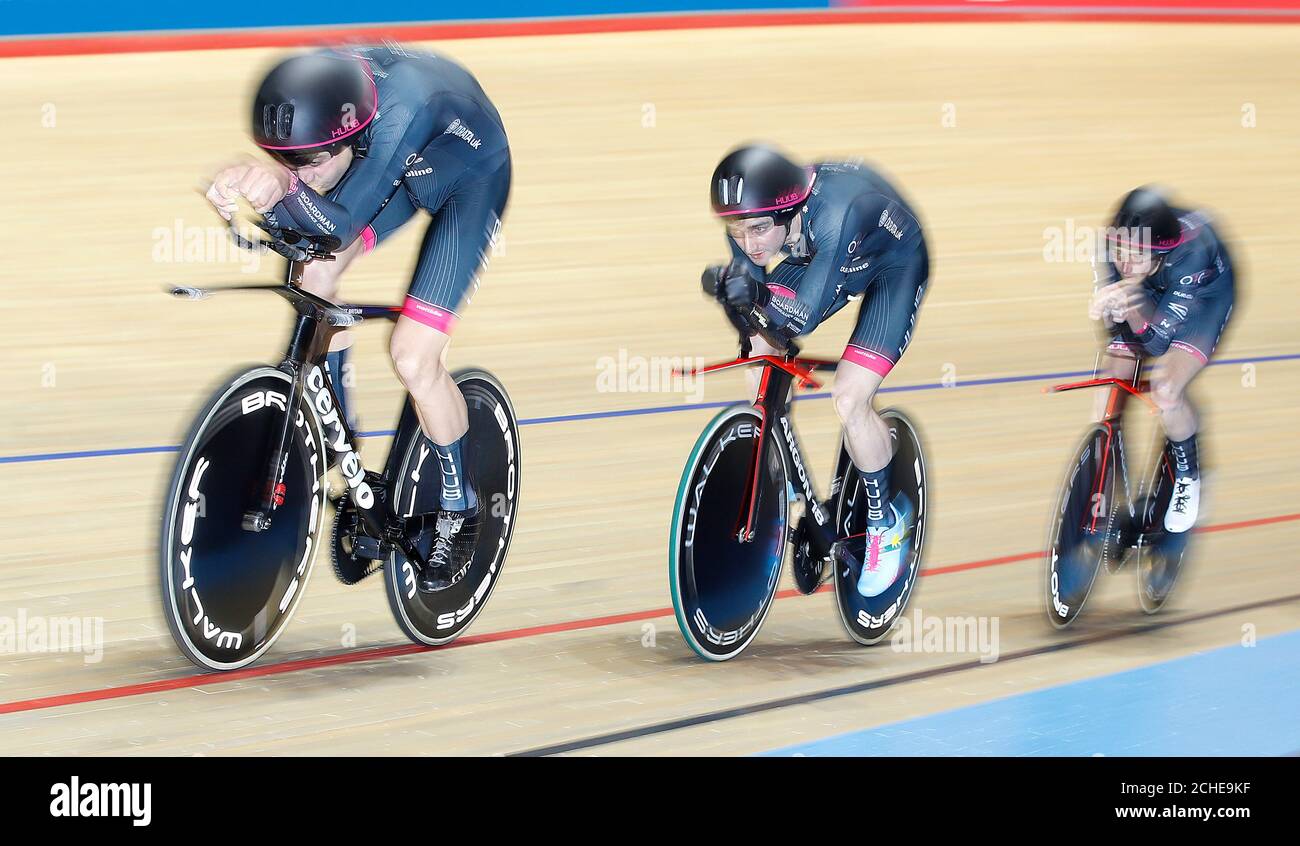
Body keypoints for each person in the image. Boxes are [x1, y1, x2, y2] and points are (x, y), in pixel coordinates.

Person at [205, 44, 511, 592]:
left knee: (413, 358)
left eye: (309, 160)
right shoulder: (324, 108)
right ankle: (340, 428)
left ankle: (457, 509)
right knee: (314, 274)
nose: (302, 171)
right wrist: (260, 186)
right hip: (397, 161)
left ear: (346, 135)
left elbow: (338, 224)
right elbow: (312, 207)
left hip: (469, 174)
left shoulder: (399, 109)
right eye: (286, 157)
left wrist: (283, 190)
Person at [703, 144, 929, 597]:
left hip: (893, 264)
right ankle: (782, 478)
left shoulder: (833, 213)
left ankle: (887, 523)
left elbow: (801, 315)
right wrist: (738, 304)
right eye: (737, 230)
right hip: (823, 257)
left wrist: (755, 297)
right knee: (760, 348)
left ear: (789, 210)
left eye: (759, 230)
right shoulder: (755, 219)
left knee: (849, 397)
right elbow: (757, 317)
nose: (749, 244)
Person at [1089, 186, 1235, 533]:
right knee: (1106, 392)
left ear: (1159, 253)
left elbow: (1156, 345)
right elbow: (1114, 328)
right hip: (1149, 291)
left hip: (1203, 297)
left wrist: (1133, 309)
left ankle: (1188, 476)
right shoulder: (1111, 248)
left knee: (1166, 389)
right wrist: (1110, 310)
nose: (1124, 263)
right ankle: (1104, 483)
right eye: (1121, 250)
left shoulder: (1192, 257)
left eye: (1137, 255)